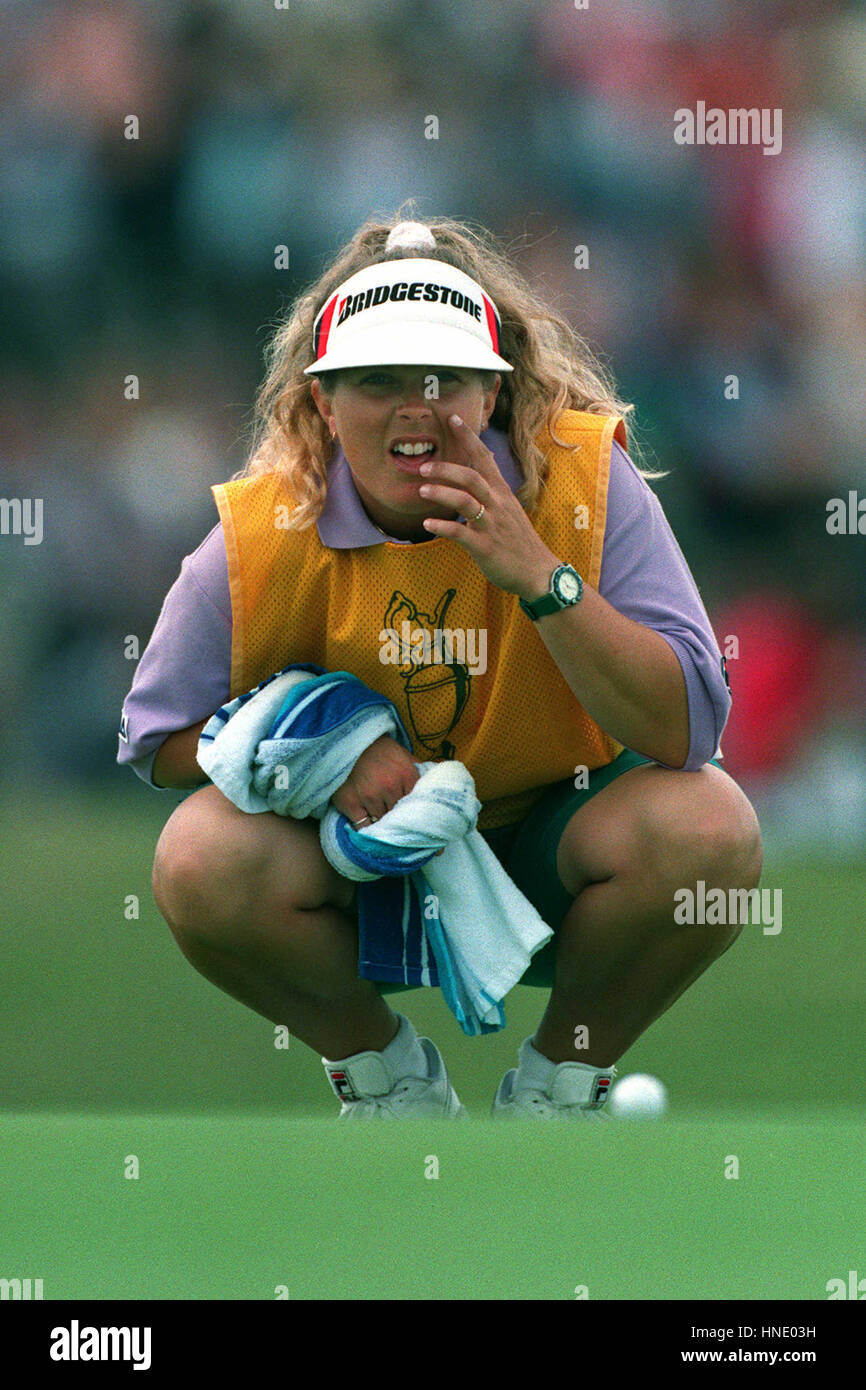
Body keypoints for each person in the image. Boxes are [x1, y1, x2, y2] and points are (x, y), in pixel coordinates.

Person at [118, 212, 762, 1120]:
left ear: (491, 396)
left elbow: (690, 727)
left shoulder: (582, 482)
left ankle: (557, 1091)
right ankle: (388, 1083)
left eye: (445, 380)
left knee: (710, 831)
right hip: (361, 871)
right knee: (198, 857)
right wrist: (319, 748)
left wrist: (542, 579)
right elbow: (153, 740)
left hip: (557, 860)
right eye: (376, 382)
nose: (415, 408)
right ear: (323, 404)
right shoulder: (261, 532)